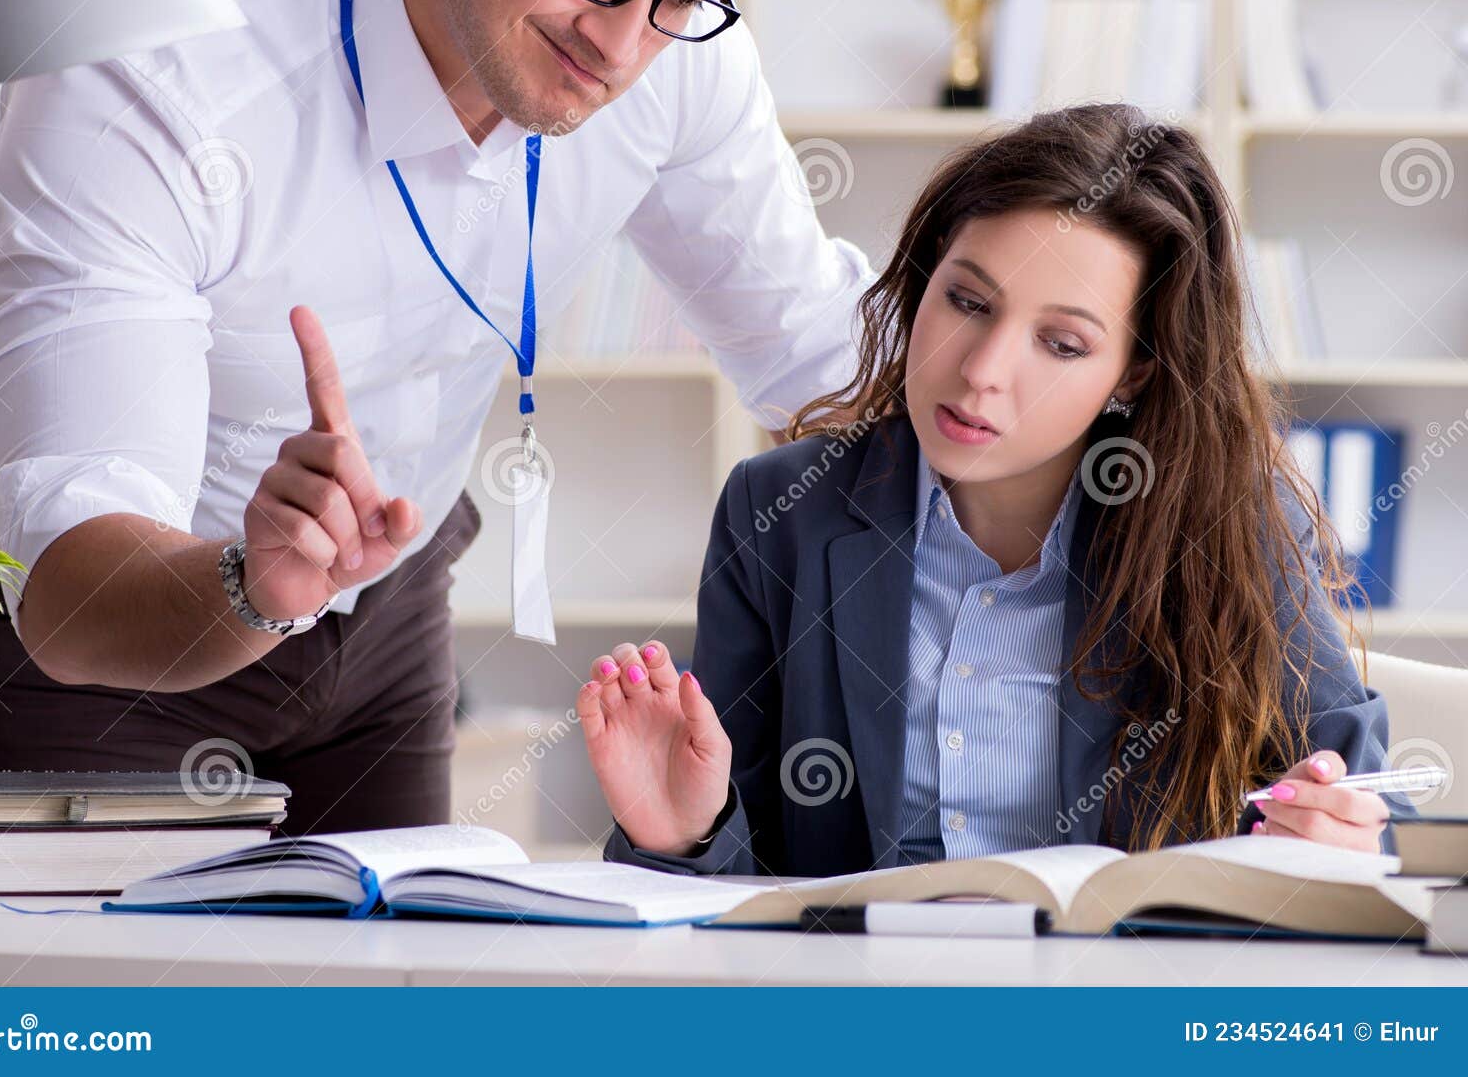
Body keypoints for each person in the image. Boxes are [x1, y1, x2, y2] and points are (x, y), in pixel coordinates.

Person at [0, 0, 871, 838]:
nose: (624, 45)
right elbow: (74, 581)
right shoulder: (151, 69)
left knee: (379, 993)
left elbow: (822, 358)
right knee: (92, 1018)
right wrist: (249, 584)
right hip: (98, 633)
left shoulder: (677, 44)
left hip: (385, 599)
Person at [576, 103, 1396, 875]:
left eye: (1063, 343)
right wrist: (684, 832)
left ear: (1134, 372)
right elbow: (740, 903)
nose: (981, 371)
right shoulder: (781, 513)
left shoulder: (1225, 518)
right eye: (967, 301)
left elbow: (1365, 809)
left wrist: (1335, 834)